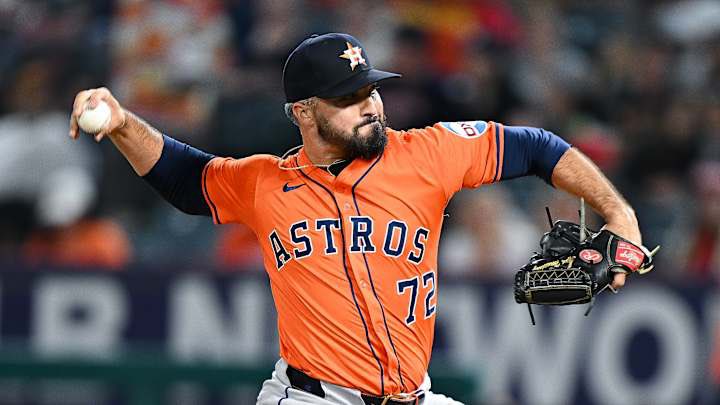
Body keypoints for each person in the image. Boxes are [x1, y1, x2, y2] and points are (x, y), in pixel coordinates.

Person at [69, 33, 643, 405]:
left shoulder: (427, 154)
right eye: (348, 97)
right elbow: (185, 177)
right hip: (312, 398)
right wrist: (122, 123)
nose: (369, 105)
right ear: (303, 111)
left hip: (415, 394)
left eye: (371, 89)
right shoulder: (267, 183)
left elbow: (538, 147)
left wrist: (618, 211)